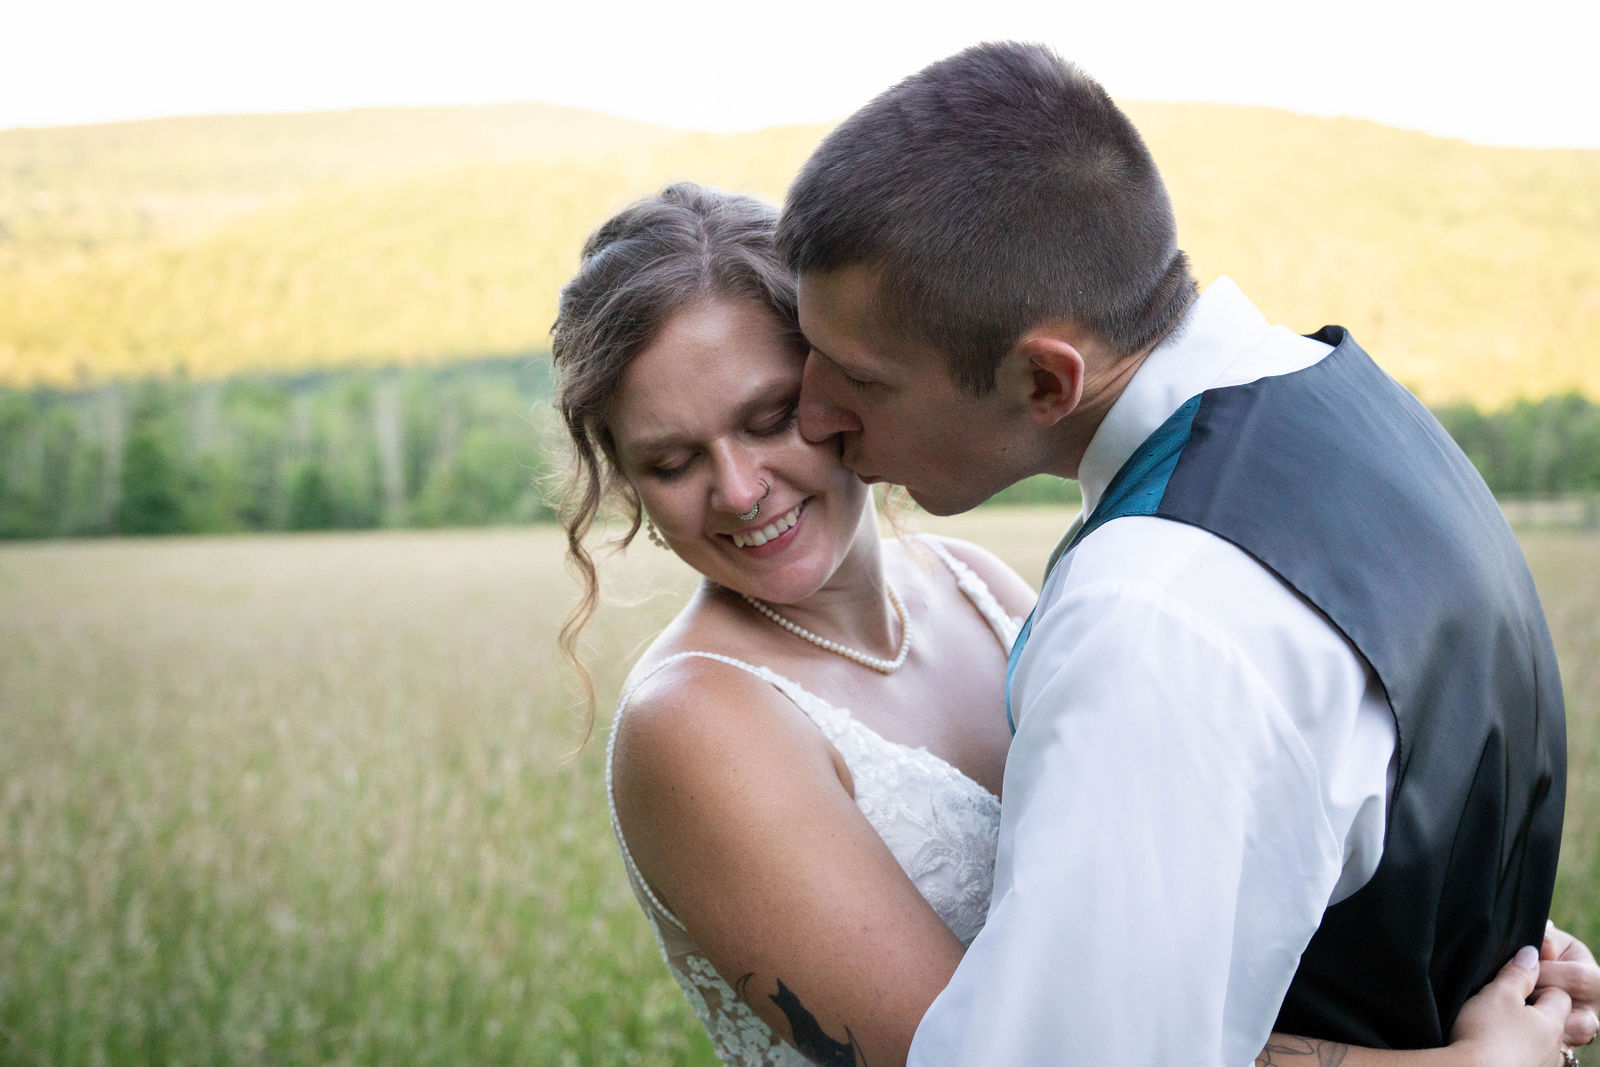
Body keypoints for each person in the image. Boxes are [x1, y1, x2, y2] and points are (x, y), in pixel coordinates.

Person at [552, 183, 1597, 1066]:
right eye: (672, 461)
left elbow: (1190, 878)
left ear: (840, 382)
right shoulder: (698, 721)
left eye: (767, 415)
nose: (737, 490)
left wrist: (1477, 948)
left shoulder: (970, 583)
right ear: (625, 483)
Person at [776, 41, 1584, 1065]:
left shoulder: (1154, 616)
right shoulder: (1337, 398)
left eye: (860, 378)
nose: (810, 416)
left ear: (1043, 381)